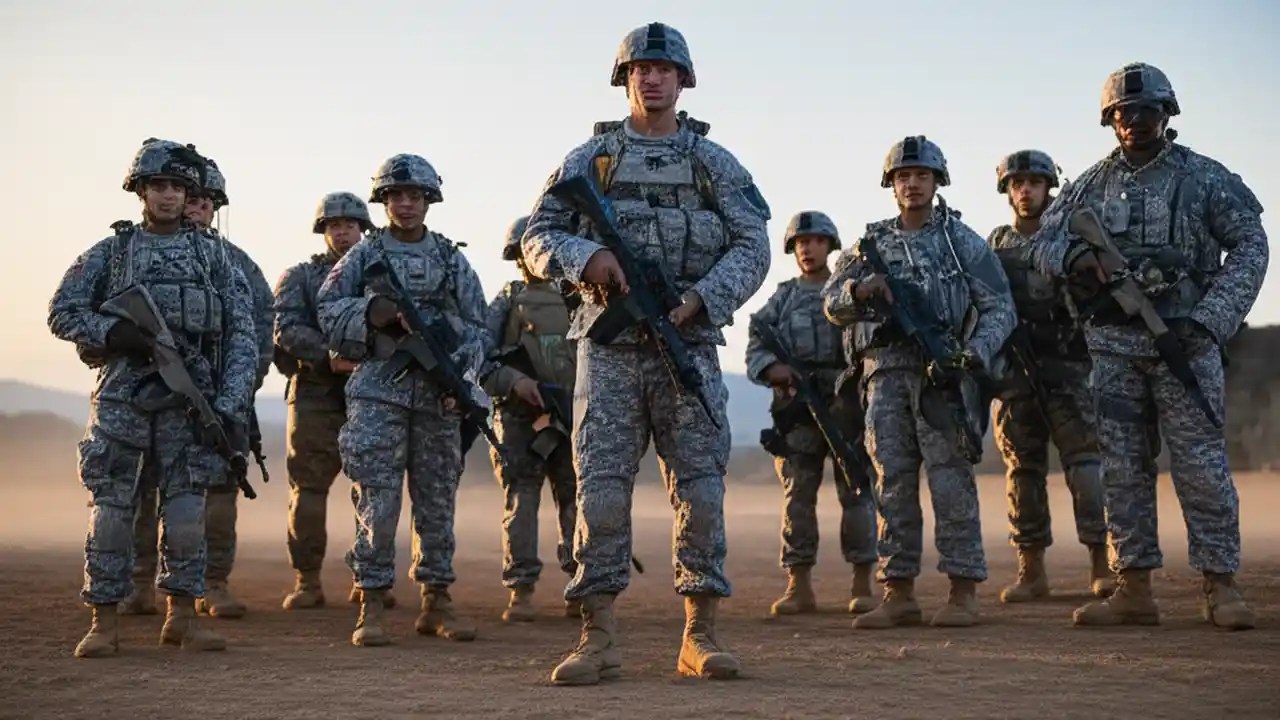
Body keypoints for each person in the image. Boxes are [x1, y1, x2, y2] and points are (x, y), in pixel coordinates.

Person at [522, 22, 770, 684]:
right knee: (599, 492)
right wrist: (587, 256)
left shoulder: (715, 164)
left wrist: (699, 300)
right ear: (624, 79)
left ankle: (700, 634)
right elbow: (538, 236)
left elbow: (753, 248)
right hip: (607, 353)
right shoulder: (589, 160)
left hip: (684, 346)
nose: (652, 77)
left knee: (702, 492)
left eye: (664, 68)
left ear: (685, 80)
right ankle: (596, 636)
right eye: (639, 68)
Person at [1029, 63, 1267, 629]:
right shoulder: (1090, 184)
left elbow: (1252, 246)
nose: (1134, 121)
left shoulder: (1205, 178)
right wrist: (1075, 259)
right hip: (1113, 348)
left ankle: (1221, 585)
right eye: (1122, 113)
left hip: (1185, 342)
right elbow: (1043, 243)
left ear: (1168, 113)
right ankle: (1132, 586)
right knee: (1122, 469)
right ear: (1109, 121)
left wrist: (1210, 321)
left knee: (1201, 466)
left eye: (1146, 111)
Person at [49, 138, 256, 656]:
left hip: (190, 404)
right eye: (158, 186)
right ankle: (104, 620)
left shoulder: (213, 258)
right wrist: (113, 334)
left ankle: (183, 615)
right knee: (113, 508)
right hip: (123, 398)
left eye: (178, 187)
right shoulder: (113, 253)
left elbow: (242, 336)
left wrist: (230, 407)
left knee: (187, 510)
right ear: (139, 191)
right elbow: (62, 311)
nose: (168, 196)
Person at [823, 135, 1015, 629]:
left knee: (951, 481)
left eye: (921, 176)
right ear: (891, 184)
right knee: (892, 482)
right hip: (884, 376)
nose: (912, 184)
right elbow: (831, 304)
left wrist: (972, 354)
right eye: (903, 176)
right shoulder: (871, 245)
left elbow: (1000, 307)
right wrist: (858, 288)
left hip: (942, 376)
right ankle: (898, 590)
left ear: (937, 181)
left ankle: (963, 590)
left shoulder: (960, 241)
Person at [316, 153, 488, 646]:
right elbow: (327, 308)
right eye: (396, 196)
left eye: (415, 196)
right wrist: (376, 313)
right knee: (378, 499)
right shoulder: (364, 257)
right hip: (378, 393)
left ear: (430, 200)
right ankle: (370, 603)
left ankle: (437, 601)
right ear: (383, 200)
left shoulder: (451, 259)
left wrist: (461, 376)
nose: (406, 204)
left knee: (436, 499)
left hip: (437, 396)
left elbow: (478, 326)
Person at [986, 150, 1112, 602]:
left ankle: (1103, 561)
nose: (1025, 191)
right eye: (1017, 183)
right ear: (1007, 191)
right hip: (1016, 376)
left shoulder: (1069, 240)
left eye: (1034, 183)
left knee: (1086, 466)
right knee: (1022, 472)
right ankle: (1031, 569)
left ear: (1048, 189)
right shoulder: (994, 246)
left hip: (1068, 369)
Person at [745, 211, 878, 617]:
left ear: (830, 246)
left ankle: (863, 583)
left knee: (857, 493)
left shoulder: (847, 293)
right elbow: (756, 344)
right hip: (798, 409)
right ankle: (798, 585)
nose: (808, 248)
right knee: (797, 498)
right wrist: (772, 369)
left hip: (845, 405)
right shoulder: (782, 299)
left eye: (817, 241)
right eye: (801, 242)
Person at [274, 191, 383, 610]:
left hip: (373, 395)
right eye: (334, 226)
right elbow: (284, 329)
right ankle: (307, 579)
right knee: (309, 489)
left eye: (350, 225)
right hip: (315, 395)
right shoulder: (299, 277)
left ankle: (369, 578)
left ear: (363, 229)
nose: (342, 232)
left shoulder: (379, 277)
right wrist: (330, 357)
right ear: (323, 231)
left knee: (374, 491)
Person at [480, 215, 581, 623]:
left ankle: (580, 584)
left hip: (571, 415)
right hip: (519, 418)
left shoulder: (577, 297)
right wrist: (514, 380)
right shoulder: (507, 301)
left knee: (575, 501)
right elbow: (480, 359)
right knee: (521, 501)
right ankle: (521, 589)